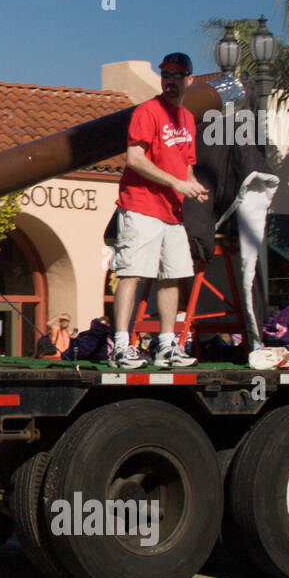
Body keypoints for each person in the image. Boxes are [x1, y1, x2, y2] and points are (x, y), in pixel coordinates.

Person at [109, 52, 208, 369]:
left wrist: (193, 186)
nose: (171, 81)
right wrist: (176, 184)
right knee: (131, 273)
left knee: (173, 276)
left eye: (178, 76)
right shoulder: (147, 112)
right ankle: (121, 347)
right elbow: (135, 159)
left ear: (190, 80)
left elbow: (186, 168)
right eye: (166, 75)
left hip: (172, 213)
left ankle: (166, 345)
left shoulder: (188, 119)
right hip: (140, 206)